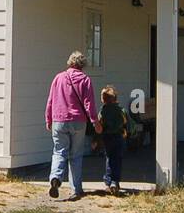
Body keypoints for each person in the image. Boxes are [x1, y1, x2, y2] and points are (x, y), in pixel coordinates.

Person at [44, 51, 101, 200]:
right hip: (78, 122)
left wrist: (48, 119)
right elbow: (90, 104)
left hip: (59, 120)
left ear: (69, 62)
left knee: (59, 152)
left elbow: (50, 100)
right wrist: (95, 122)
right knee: (75, 155)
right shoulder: (85, 80)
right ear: (83, 65)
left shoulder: (58, 78)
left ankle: (55, 178)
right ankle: (76, 189)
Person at [98, 86, 128, 195]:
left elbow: (99, 124)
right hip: (119, 137)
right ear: (115, 98)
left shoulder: (103, 111)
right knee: (118, 159)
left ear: (103, 99)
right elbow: (126, 123)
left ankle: (108, 181)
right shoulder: (121, 110)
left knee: (109, 158)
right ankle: (115, 181)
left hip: (107, 137)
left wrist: (96, 138)